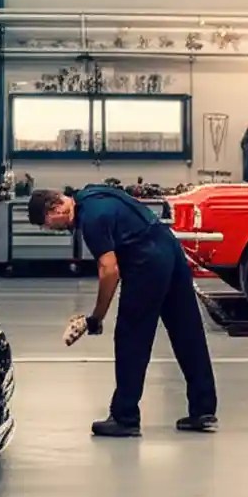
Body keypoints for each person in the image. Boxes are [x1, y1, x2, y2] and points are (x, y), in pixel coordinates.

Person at [28, 185, 219, 437]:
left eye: (46, 223)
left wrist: (96, 317)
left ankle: (125, 417)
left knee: (132, 337)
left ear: (55, 209)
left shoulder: (91, 220)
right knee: (187, 331)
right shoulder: (91, 193)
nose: (50, 229)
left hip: (147, 261)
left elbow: (109, 270)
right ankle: (203, 409)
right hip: (169, 248)